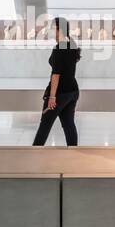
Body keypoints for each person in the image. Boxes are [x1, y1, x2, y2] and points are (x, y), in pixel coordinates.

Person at [31, 18, 80, 147]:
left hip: (59, 94)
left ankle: (34, 153)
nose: (50, 30)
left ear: (59, 29)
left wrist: (52, 97)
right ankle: (74, 152)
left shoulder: (59, 49)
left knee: (45, 125)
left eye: (52, 27)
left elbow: (56, 75)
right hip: (73, 92)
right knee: (69, 124)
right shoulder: (72, 45)